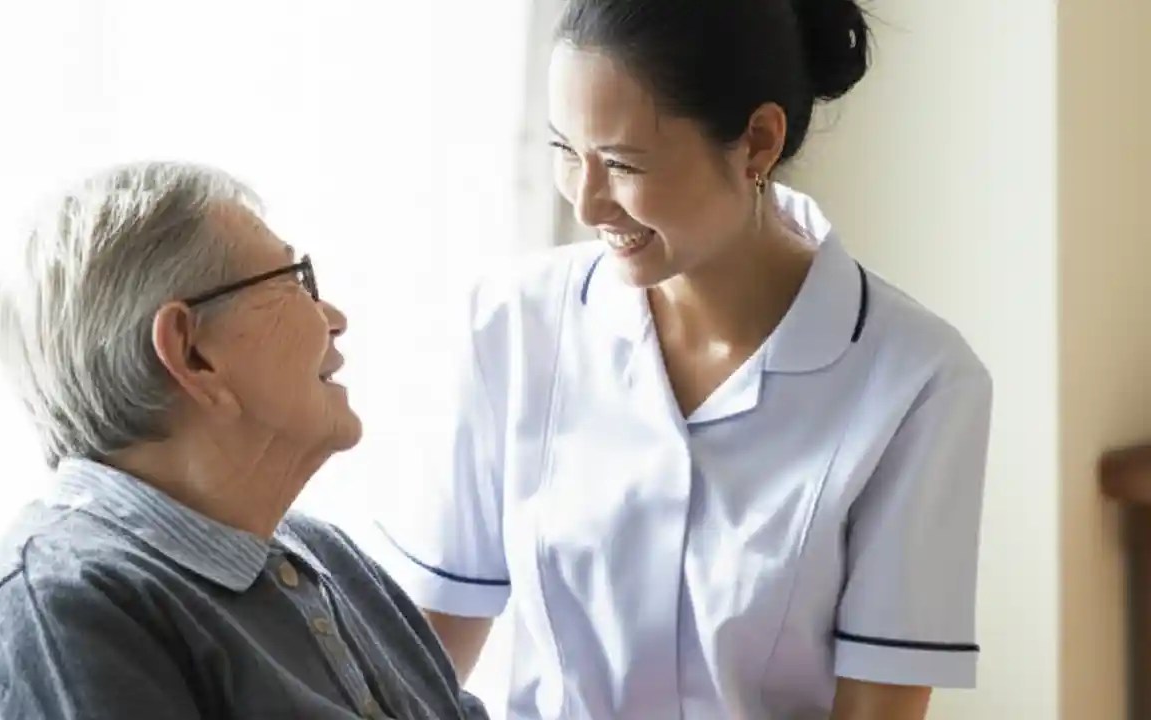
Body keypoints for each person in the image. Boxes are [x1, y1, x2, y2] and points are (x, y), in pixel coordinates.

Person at [364, 1, 994, 718]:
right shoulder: (512, 325)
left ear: (757, 142)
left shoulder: (918, 382)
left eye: (624, 163)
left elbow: (878, 710)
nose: (587, 202)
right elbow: (414, 668)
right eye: (567, 153)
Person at [0, 162, 487, 720]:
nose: (332, 316)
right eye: (295, 282)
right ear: (192, 352)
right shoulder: (59, 606)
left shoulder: (322, 553)